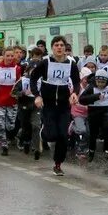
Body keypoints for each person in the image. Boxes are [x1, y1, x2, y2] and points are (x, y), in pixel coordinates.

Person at [30, 36, 81, 175]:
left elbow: (76, 81)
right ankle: (44, 133)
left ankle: (58, 164)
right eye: (56, 45)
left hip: (64, 105)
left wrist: (75, 93)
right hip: (48, 103)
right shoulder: (45, 62)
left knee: (63, 136)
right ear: (52, 48)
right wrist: (37, 95)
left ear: (65, 48)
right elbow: (33, 78)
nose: (59, 47)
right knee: (52, 135)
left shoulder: (71, 63)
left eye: (62, 45)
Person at [79, 69, 108, 160]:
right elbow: (82, 100)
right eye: (98, 82)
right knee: (93, 133)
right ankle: (91, 150)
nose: (100, 84)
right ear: (95, 81)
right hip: (93, 112)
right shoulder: (91, 87)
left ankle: (106, 149)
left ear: (107, 81)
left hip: (106, 110)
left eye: (103, 82)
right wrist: (95, 97)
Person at [0, 47, 22, 156]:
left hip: (12, 101)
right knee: (0, 124)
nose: (10, 58)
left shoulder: (17, 68)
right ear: (3, 56)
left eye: (11, 56)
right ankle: (4, 146)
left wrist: (18, 93)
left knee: (10, 126)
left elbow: (19, 84)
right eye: (7, 55)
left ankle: (17, 135)